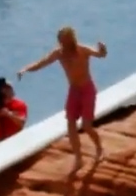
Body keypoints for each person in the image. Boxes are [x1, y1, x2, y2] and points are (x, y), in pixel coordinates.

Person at [18, 26, 107, 165]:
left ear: (71, 39)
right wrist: (25, 69)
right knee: (70, 124)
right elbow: (41, 63)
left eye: (64, 40)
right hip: (74, 90)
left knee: (86, 126)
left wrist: (103, 49)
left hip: (87, 89)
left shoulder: (82, 50)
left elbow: (100, 55)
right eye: (60, 40)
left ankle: (99, 148)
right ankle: (78, 158)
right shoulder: (59, 53)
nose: (62, 43)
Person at [0, 76, 27, 142]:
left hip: (17, 139)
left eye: (8, 88)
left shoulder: (20, 104)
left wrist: (9, 114)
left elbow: (21, 123)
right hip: (1, 141)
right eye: (4, 88)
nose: (7, 90)